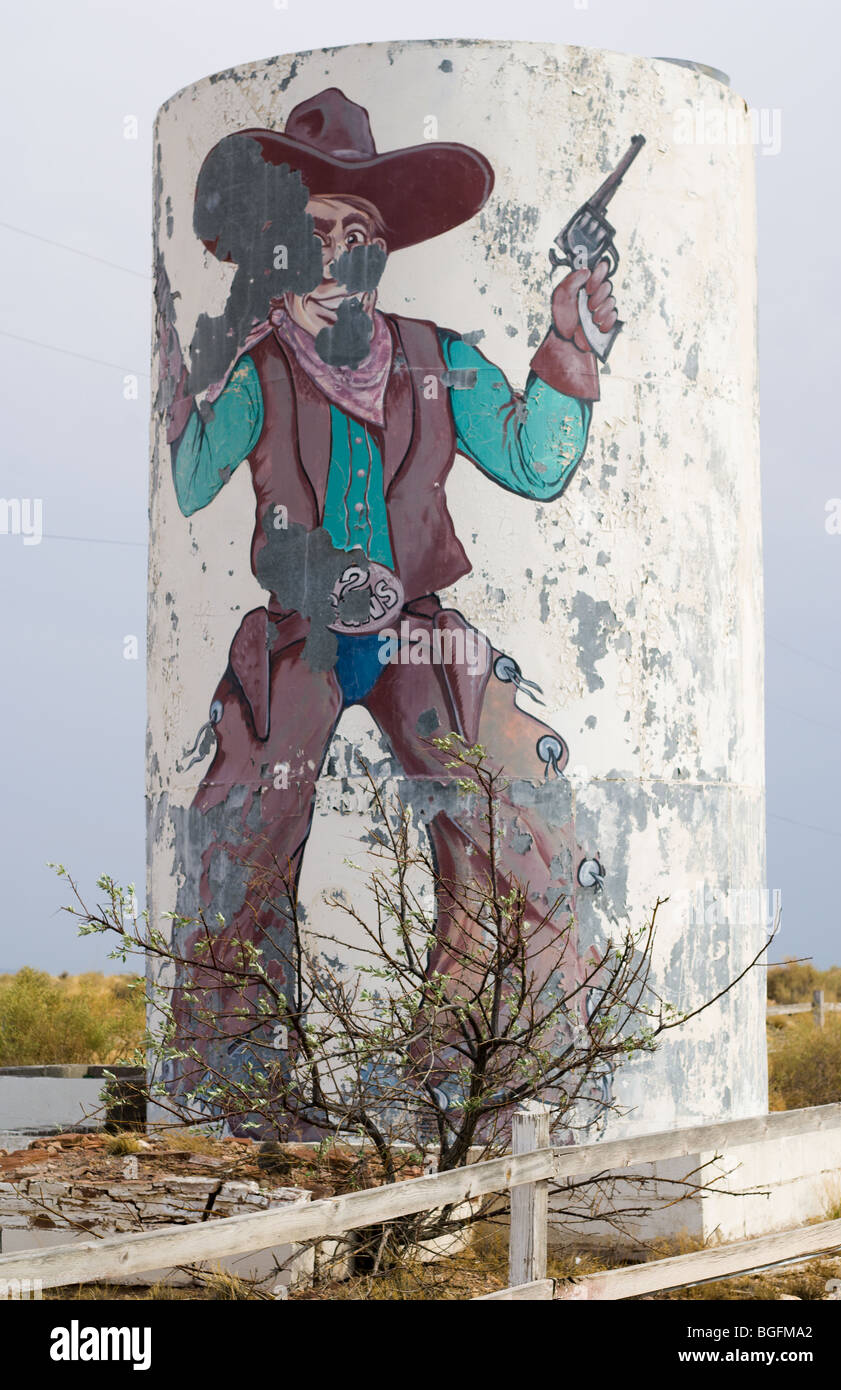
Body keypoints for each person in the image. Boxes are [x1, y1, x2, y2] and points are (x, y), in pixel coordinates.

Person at [155, 88, 619, 1129]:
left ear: (380, 253)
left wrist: (568, 344)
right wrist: (202, 349)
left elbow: (536, 466)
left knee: (511, 815)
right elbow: (188, 481)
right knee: (241, 836)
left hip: (417, 619)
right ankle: (241, 1097)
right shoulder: (259, 364)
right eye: (313, 231)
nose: (335, 253)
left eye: (358, 234)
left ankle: (471, 1080)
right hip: (296, 630)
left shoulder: (435, 355)